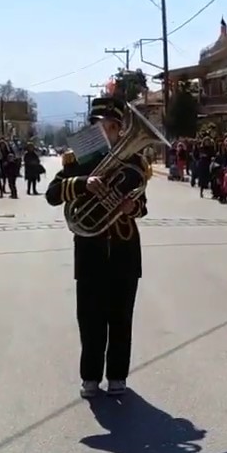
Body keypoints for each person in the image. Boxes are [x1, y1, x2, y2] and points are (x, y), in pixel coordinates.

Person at [45, 97, 149, 398]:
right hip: (89, 250)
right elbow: (52, 195)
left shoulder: (134, 164)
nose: (106, 131)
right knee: (90, 319)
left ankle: (117, 376)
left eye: (112, 126)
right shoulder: (76, 160)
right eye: (99, 125)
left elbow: (142, 207)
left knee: (121, 318)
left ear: (120, 129)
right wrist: (81, 183)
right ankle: (90, 377)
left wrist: (131, 206)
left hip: (124, 250)